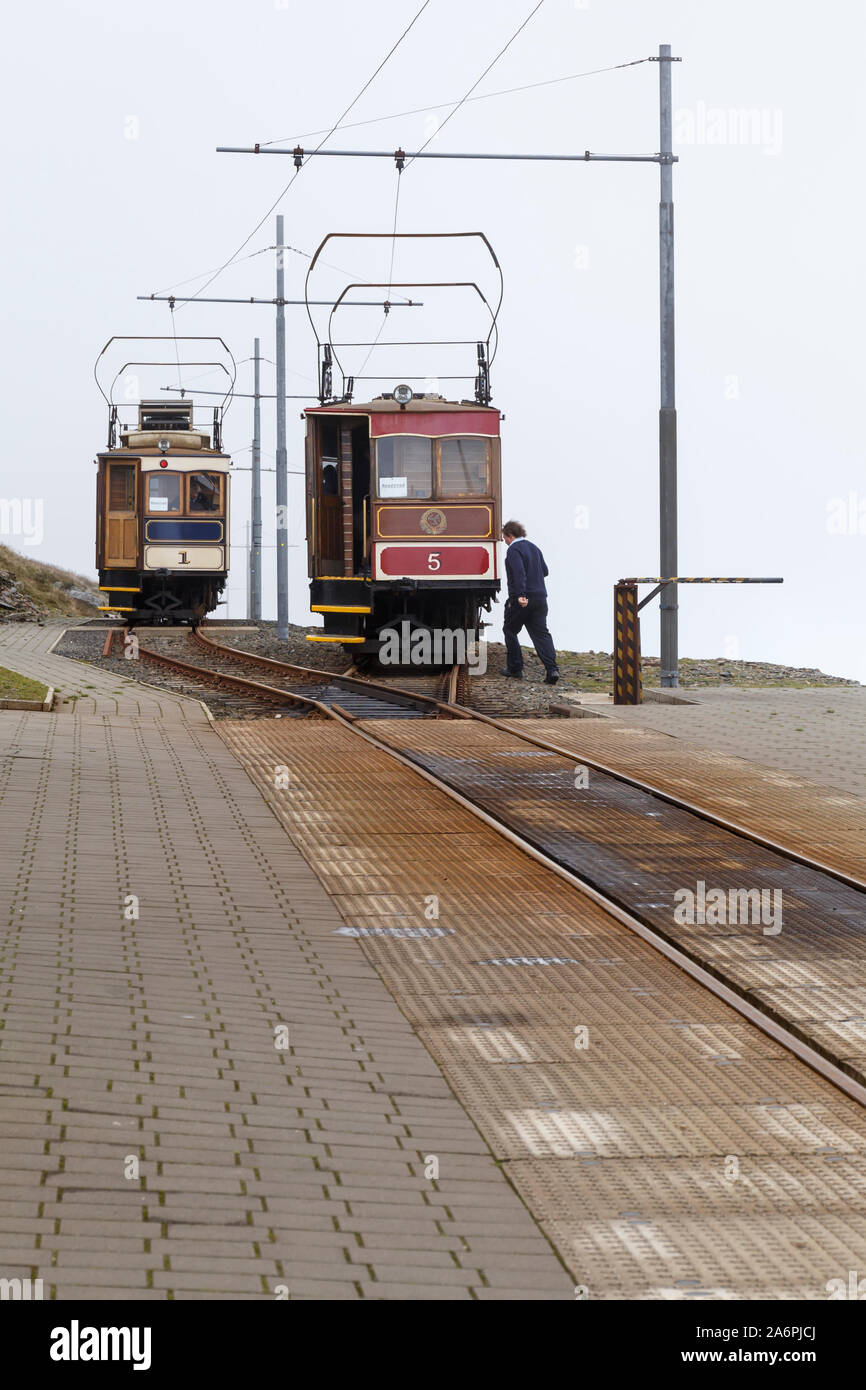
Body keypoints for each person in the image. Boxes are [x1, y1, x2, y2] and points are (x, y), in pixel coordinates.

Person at [501, 520, 560, 684]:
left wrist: (520, 594)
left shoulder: (514, 549)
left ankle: (515, 668)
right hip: (540, 598)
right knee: (541, 634)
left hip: (523, 599)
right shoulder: (535, 548)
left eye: (504, 538)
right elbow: (545, 571)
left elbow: (519, 572)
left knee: (510, 630)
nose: (504, 542)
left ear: (510, 535)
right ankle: (552, 670)